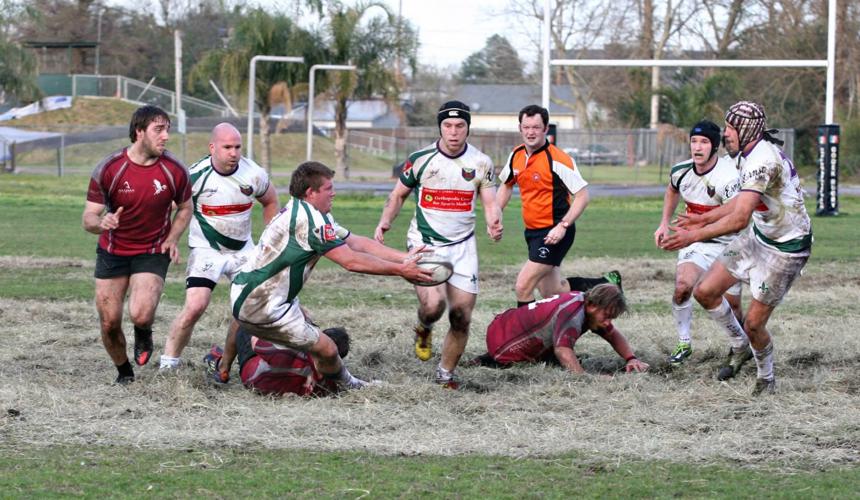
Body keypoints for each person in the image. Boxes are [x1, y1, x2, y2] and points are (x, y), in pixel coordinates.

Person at [221, 161, 434, 391]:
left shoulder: (307, 212)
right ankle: (348, 386)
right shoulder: (310, 222)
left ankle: (223, 366)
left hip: (247, 291)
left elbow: (356, 242)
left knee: (252, 321)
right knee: (328, 349)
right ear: (311, 193)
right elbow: (350, 260)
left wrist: (403, 257)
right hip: (262, 306)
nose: (333, 192)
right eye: (328, 188)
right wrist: (401, 270)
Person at [661, 101, 813, 396]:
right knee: (705, 292)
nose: (725, 133)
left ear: (744, 130)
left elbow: (739, 218)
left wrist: (693, 235)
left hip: (786, 249)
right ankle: (740, 345)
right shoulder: (746, 155)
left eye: (730, 127)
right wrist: (703, 217)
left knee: (755, 324)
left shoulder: (760, 162)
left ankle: (766, 378)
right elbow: (743, 202)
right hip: (759, 235)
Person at [374, 100, 503, 389]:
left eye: (460, 126)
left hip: (463, 247)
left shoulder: (481, 162)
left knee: (461, 317)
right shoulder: (421, 159)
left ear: (468, 128)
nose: (454, 132)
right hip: (425, 243)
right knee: (434, 306)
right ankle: (425, 326)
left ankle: (445, 375)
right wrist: (385, 221)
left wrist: (494, 222)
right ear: (440, 127)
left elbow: (491, 202)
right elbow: (398, 196)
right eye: (448, 125)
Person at [82, 105, 192, 384]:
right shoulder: (110, 168)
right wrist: (101, 223)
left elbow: (185, 208)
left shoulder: (174, 170)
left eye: (167, 129)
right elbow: (88, 218)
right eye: (159, 129)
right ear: (139, 132)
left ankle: (143, 330)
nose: (166, 136)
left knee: (140, 313)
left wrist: (172, 238)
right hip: (112, 250)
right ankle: (124, 372)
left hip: (152, 251)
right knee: (109, 322)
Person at [159, 123, 280, 371]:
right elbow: (166, 209)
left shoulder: (254, 174)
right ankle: (168, 365)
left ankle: (223, 364)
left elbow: (271, 201)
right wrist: (169, 240)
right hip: (207, 251)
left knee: (247, 309)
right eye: (227, 147)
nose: (233, 153)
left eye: (237, 147)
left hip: (243, 252)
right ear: (212, 147)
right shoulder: (194, 175)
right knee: (195, 306)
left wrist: (269, 242)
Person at [496, 105, 619, 308]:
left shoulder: (558, 159)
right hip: (533, 232)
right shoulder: (516, 155)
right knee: (553, 291)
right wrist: (495, 215)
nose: (530, 132)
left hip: (555, 230)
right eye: (526, 127)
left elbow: (582, 196)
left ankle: (532, 336)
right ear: (520, 128)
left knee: (523, 287)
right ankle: (607, 284)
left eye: (536, 127)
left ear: (545, 129)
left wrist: (562, 226)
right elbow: (506, 186)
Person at [654, 120, 744, 366]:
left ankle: (739, 345)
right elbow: (673, 189)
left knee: (733, 307)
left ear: (715, 146)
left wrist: (700, 225)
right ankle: (684, 342)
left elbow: (736, 216)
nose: (697, 147)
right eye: (694, 141)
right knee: (683, 287)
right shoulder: (681, 171)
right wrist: (664, 223)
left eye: (704, 142)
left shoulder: (728, 177)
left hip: (729, 241)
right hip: (695, 242)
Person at [469, 284, 649, 374]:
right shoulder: (573, 315)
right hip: (504, 346)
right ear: (593, 305)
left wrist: (631, 358)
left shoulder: (582, 301)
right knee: (564, 360)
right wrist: (583, 378)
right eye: (607, 316)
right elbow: (563, 350)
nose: (608, 322)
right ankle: (489, 362)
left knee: (565, 359)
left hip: (502, 327)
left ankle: (486, 359)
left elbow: (612, 334)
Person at [204, 327, 351, 397]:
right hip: (283, 390)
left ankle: (222, 366)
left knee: (243, 323)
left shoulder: (286, 353)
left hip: (256, 383)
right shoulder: (335, 385)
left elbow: (256, 340)